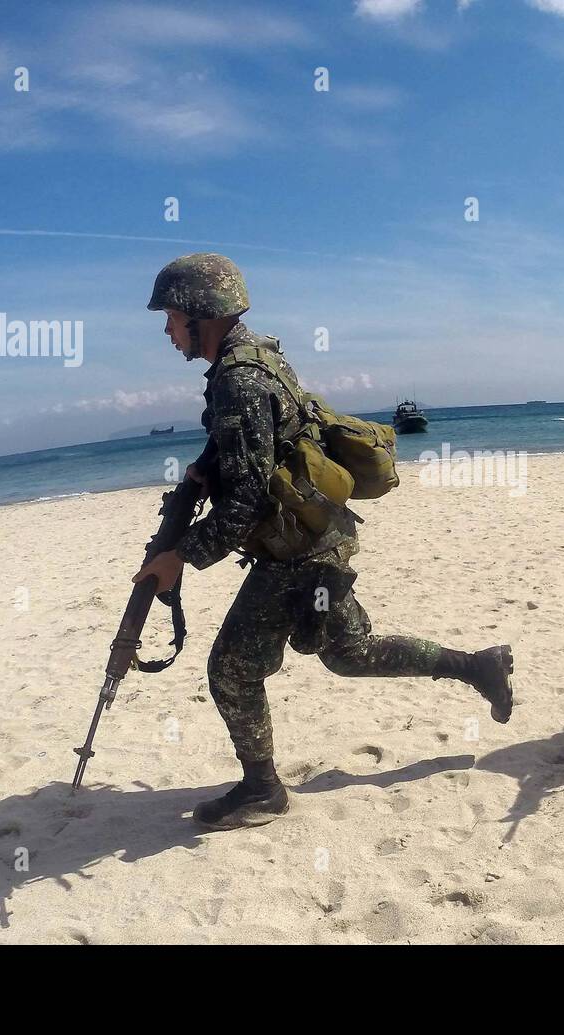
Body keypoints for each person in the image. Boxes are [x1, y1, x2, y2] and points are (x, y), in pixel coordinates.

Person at [132, 254, 514, 829]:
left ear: (199, 313)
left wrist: (181, 557)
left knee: (231, 670)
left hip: (298, 554)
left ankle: (262, 790)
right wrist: (209, 467)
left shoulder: (238, 379)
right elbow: (265, 446)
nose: (166, 330)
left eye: (170, 316)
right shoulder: (258, 357)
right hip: (317, 536)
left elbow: (247, 501)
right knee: (348, 653)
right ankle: (478, 667)